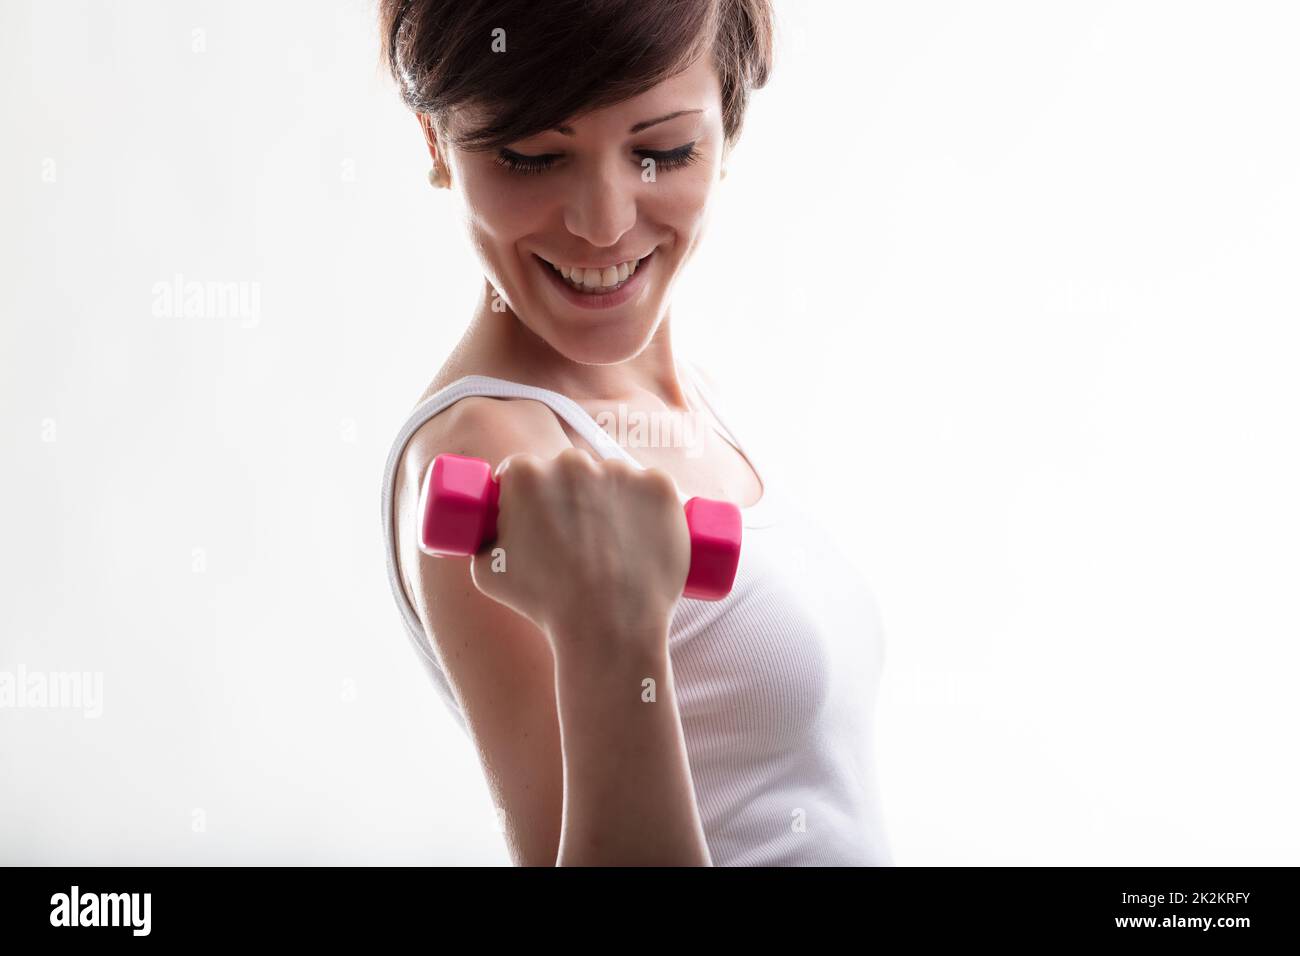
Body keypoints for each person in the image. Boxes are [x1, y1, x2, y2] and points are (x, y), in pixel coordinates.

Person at [378, 0, 893, 866]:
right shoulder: (492, 457)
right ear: (436, 142)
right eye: (533, 156)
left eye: (662, 151)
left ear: (726, 119)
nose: (604, 222)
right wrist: (608, 633)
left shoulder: (695, 396)